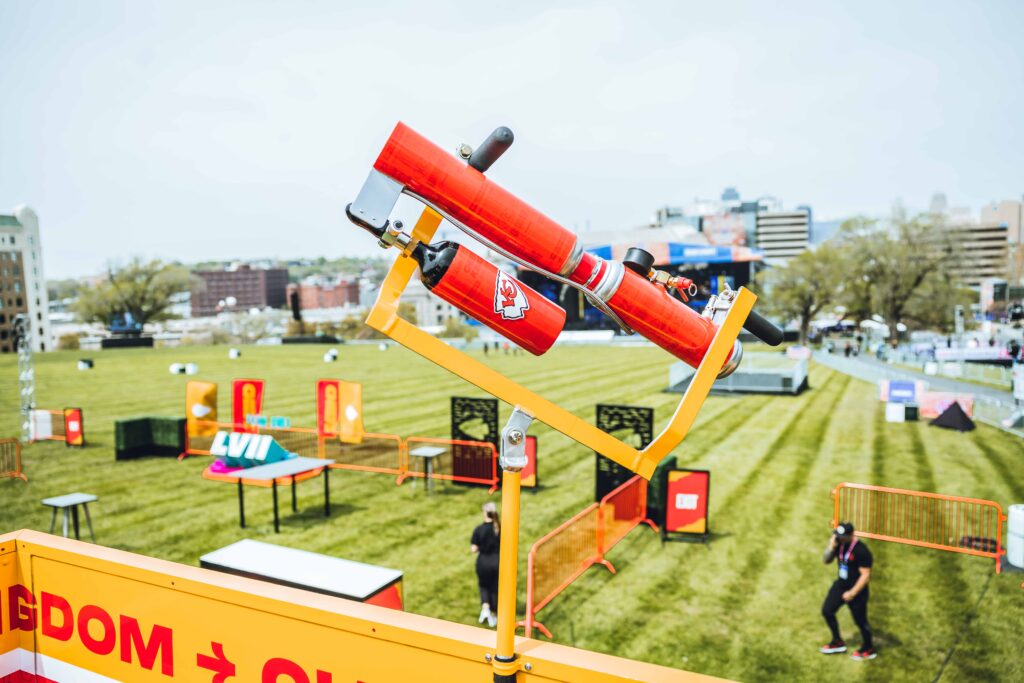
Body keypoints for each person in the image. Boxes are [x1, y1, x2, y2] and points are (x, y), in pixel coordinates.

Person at [820, 522, 876, 660]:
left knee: (860, 621)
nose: (840, 538)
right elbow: (826, 561)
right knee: (827, 611)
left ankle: (868, 648)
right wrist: (831, 547)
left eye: (843, 537)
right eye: (838, 536)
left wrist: (852, 593)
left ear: (851, 535)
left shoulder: (861, 551)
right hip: (841, 585)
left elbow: (865, 576)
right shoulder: (839, 544)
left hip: (857, 591)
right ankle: (837, 641)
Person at [470, 501, 501, 628]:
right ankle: (494, 614)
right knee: (495, 588)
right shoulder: (499, 528)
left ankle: (485, 608)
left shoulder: (479, 529)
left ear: (484, 513)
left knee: (484, 586)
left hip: (483, 562)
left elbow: (473, 549)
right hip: (497, 562)